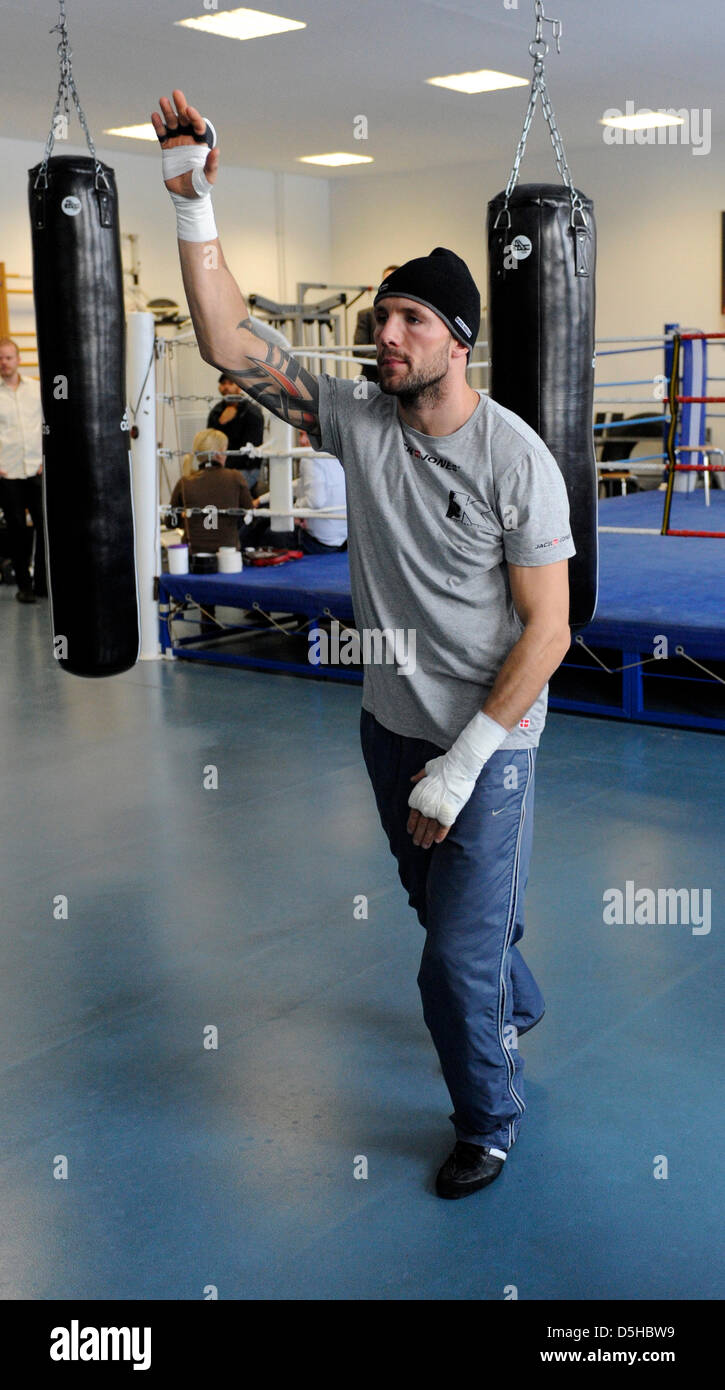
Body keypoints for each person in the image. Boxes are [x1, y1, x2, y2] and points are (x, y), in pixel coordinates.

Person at [153, 91, 575, 1200]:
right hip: (388, 729)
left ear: (457, 340)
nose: (380, 334)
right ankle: (509, 990)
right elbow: (227, 340)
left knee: (447, 962)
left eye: (407, 320)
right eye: (377, 317)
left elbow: (550, 629)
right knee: (438, 912)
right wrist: (196, 205)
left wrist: (465, 758)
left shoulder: (513, 459)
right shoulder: (356, 420)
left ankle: (488, 1117)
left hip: (489, 741)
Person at [0, 338, 46, 603]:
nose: (4, 362)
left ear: (18, 359)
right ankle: (24, 585)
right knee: (17, 529)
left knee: (43, 527)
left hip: (35, 469)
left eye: (8, 357)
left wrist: (44, 459)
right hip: (8, 473)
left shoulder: (35, 390)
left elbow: (46, 425)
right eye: (1, 358)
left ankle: (41, 582)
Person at [170, 428, 253, 554]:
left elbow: (170, 521)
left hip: (194, 556)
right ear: (219, 453)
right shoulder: (235, 477)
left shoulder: (184, 482)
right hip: (228, 556)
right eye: (226, 450)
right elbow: (250, 514)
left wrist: (192, 521)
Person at [206, 371, 265, 492]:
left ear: (239, 386)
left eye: (231, 383)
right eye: (223, 383)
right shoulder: (216, 413)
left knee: (224, 490)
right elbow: (210, 444)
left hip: (246, 468)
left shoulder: (252, 413)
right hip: (219, 466)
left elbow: (249, 452)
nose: (226, 387)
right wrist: (221, 424)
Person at [293, 430, 347, 554]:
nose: (302, 441)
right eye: (300, 435)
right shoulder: (337, 451)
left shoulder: (310, 457)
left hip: (319, 542)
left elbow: (315, 501)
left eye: (307, 434)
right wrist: (263, 498)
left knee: (269, 532)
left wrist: (294, 508)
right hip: (343, 540)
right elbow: (301, 484)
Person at [354, 267, 399, 384]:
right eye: (386, 281)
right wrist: (390, 362)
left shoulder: (411, 316)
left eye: (395, 280)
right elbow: (358, 351)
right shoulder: (366, 315)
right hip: (371, 381)